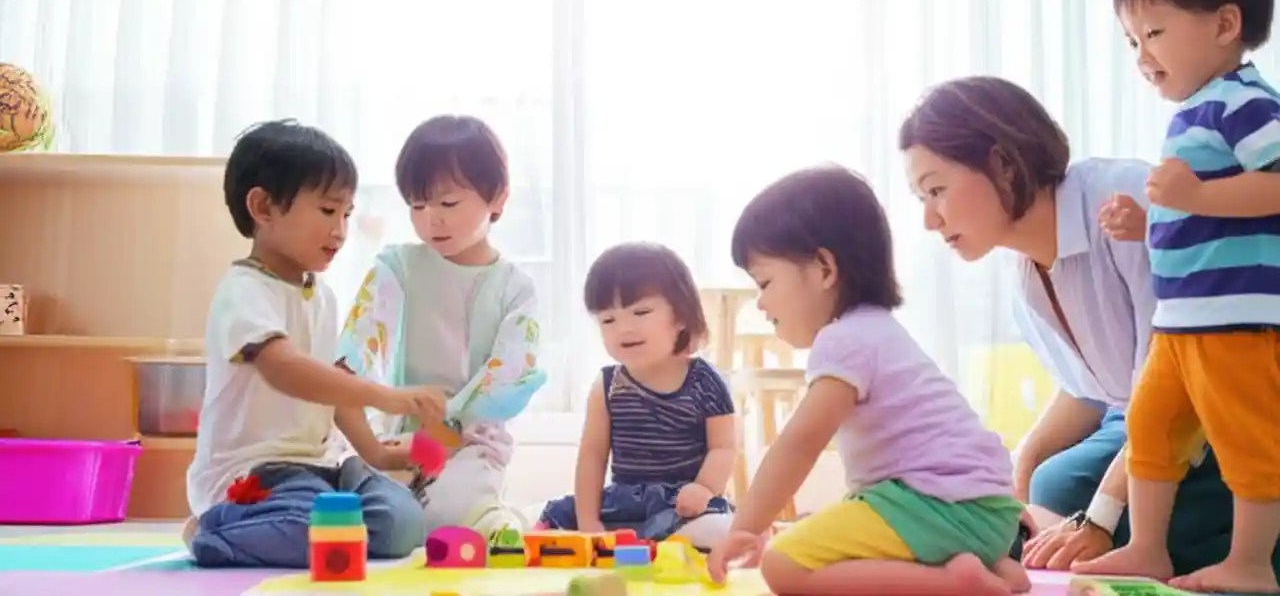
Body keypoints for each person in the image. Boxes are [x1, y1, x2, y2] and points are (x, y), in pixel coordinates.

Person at [899, 74, 1280, 581]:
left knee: (1066, 492)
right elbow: (1091, 391)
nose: (929, 219)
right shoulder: (1027, 276)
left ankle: (1240, 560)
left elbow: (1178, 383)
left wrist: (1098, 518)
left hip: (1225, 392)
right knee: (1047, 483)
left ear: (1002, 163)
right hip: (1144, 416)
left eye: (936, 190)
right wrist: (1022, 465)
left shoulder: (1119, 205)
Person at [1071, 0, 1280, 595]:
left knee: (1246, 438)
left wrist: (1194, 192)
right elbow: (1203, 213)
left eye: (1154, 33)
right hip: (1185, 322)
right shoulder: (1196, 112)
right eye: (1133, 40)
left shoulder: (1248, 103)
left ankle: (1250, 562)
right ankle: (1147, 547)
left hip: (1237, 319)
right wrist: (1147, 223)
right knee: (1149, 425)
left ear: (1225, 24)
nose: (1141, 54)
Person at [706, 165, 1029, 596]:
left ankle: (951, 582)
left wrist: (743, 527)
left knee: (783, 564)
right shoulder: (875, 330)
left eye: (764, 282)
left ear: (823, 268)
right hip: (985, 513)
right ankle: (993, 571)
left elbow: (799, 443)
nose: (761, 303)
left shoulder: (844, 340)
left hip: (938, 507)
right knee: (829, 535)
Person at [186, 119, 436, 568]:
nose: (340, 230)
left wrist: (376, 453)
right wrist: (388, 397)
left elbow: (331, 389)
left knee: (404, 521)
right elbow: (288, 370)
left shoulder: (321, 295)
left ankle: (286, 527)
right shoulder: (243, 291)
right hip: (256, 472)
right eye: (327, 211)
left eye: (347, 214)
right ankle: (214, 529)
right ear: (263, 207)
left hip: (323, 468)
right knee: (317, 532)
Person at [336, 115, 546, 537]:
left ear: (498, 199)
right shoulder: (397, 268)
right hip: (399, 439)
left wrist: (444, 432)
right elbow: (355, 352)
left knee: (459, 503)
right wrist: (368, 430)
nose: (432, 219)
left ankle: (499, 522)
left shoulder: (515, 289)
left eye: (448, 204)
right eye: (418, 205)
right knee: (365, 507)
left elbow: (506, 374)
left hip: (470, 442)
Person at [537, 242, 737, 548]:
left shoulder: (705, 380)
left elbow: (723, 448)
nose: (624, 328)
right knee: (548, 522)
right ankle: (634, 540)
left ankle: (664, 541)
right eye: (608, 320)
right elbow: (592, 456)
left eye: (640, 312)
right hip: (624, 503)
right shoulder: (608, 385)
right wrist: (589, 523)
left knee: (719, 532)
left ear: (681, 315)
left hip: (683, 504)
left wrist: (704, 488)